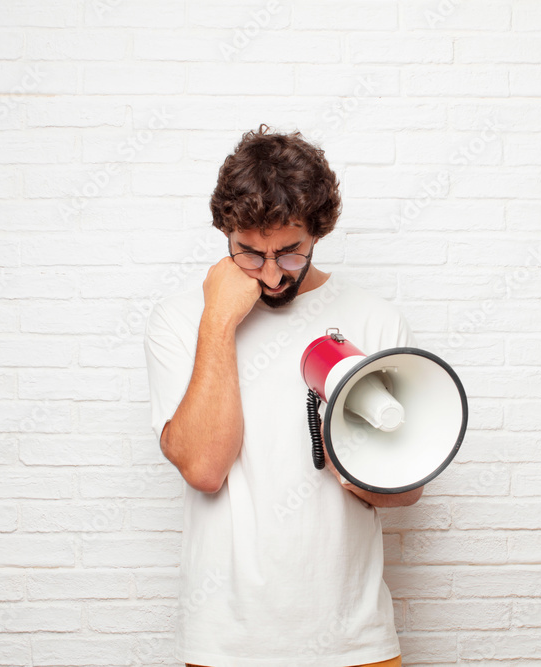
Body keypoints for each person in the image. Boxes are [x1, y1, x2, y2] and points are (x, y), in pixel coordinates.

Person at [143, 124, 421, 667]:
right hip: (228, 644)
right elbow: (204, 468)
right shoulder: (179, 320)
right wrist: (219, 321)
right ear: (225, 232)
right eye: (248, 254)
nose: (270, 275)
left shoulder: (376, 319)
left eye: (289, 252)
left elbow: (407, 492)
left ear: (319, 231)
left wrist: (358, 466)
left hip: (354, 641)